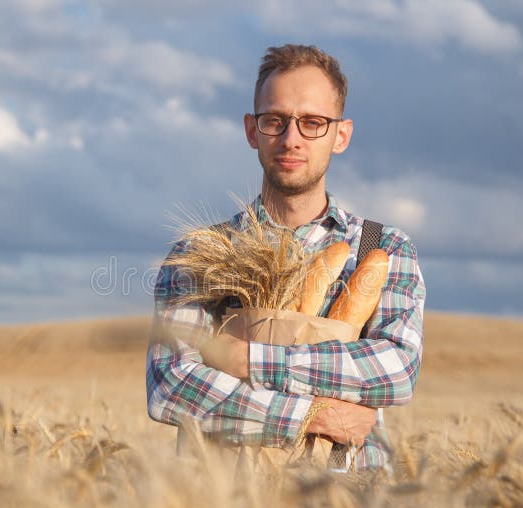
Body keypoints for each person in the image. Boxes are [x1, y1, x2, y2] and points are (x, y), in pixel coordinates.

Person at [146, 44, 425, 471]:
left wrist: (245, 361)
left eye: (313, 122)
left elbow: (395, 370)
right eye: (275, 120)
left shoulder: (383, 249)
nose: (291, 138)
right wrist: (315, 417)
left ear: (341, 135)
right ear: (251, 130)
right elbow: (173, 386)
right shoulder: (199, 256)